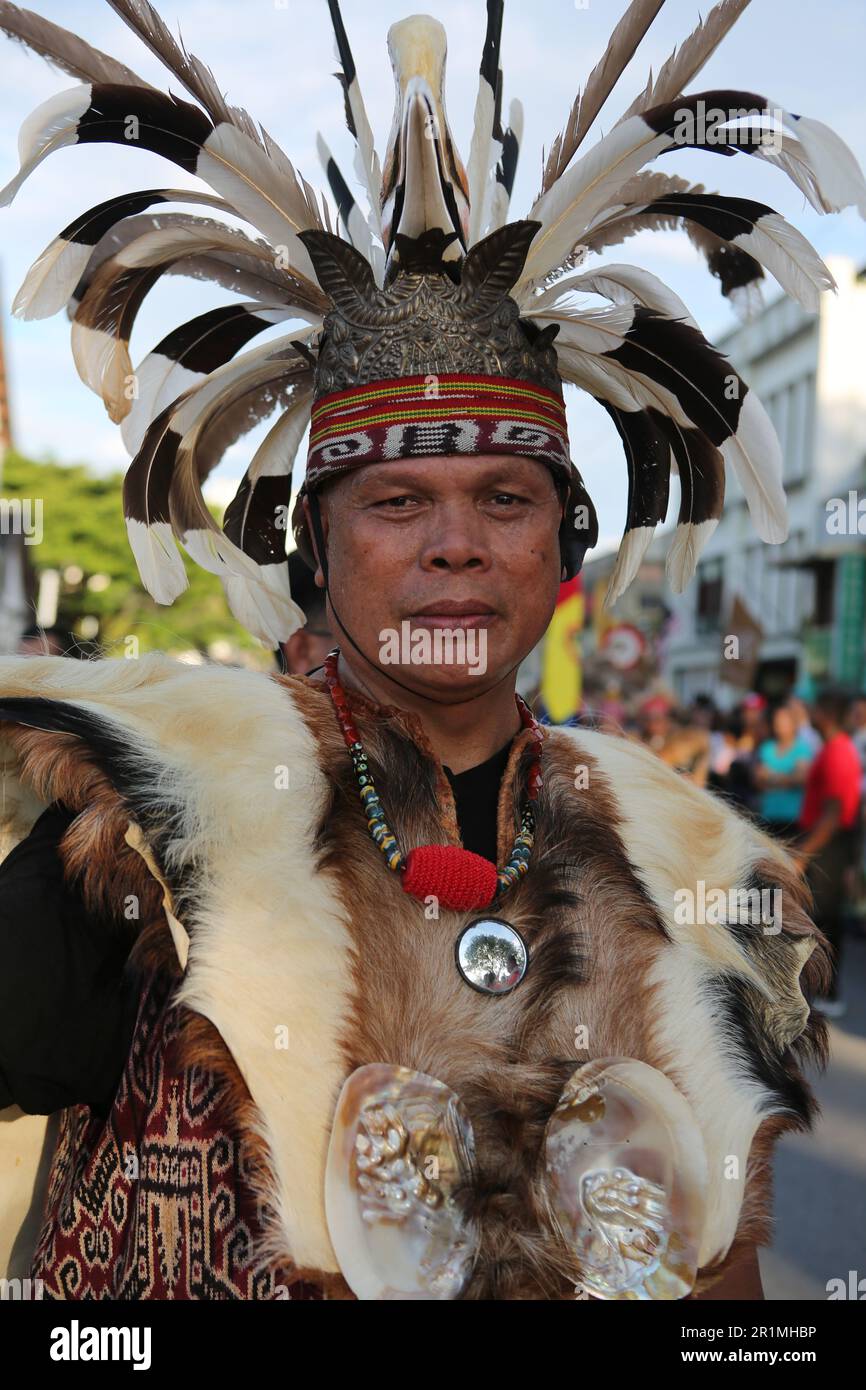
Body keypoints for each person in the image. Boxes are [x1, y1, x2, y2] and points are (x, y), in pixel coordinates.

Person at [1, 0, 862, 1302]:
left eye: (503, 501)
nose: (453, 545)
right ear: (319, 544)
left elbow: (722, 1274)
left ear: (561, 551)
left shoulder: (684, 854)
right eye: (397, 501)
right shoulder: (151, 809)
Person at [796, 690, 863, 1017]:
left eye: (813, 706)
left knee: (826, 919)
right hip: (829, 842)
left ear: (825, 712)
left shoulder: (838, 751)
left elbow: (834, 813)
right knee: (820, 916)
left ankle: (828, 992)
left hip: (830, 844)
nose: (808, 711)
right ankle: (821, 989)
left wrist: (803, 853)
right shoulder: (836, 748)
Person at [755, 701, 814, 839]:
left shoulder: (802, 748)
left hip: (792, 818)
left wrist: (771, 777)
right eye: (777, 719)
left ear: (794, 723)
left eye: (783, 719)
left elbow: (801, 779)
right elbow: (758, 780)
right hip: (768, 815)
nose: (779, 723)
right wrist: (787, 778)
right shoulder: (767, 747)